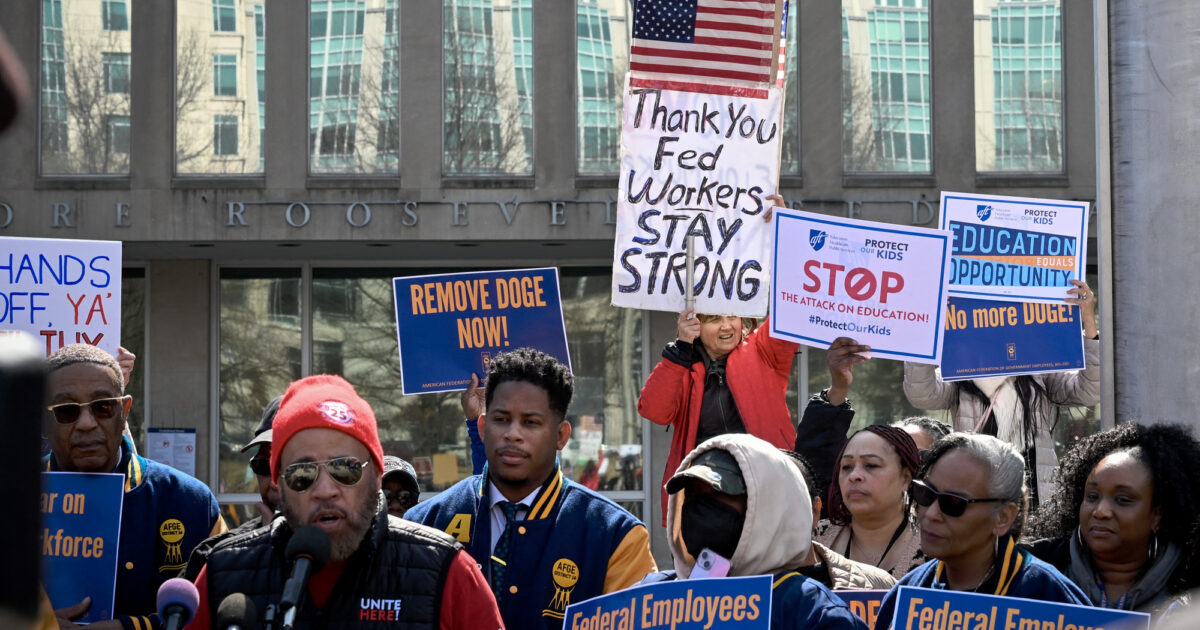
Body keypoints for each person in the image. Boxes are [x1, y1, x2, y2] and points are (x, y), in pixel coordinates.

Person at [187, 374, 503, 629]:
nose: (325, 490)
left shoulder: (447, 570)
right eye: (302, 473)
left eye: (345, 469)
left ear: (376, 474)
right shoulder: (222, 572)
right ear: (279, 482)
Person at [406, 348, 657, 630]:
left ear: (561, 435)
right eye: (500, 419)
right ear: (482, 427)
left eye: (530, 422)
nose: (513, 433)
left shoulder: (616, 536)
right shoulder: (423, 524)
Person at [43, 344, 226, 630]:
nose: (87, 423)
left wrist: (131, 628)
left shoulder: (190, 502)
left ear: (124, 409)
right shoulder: (12, 496)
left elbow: (218, 609)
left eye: (103, 406)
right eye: (67, 411)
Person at [903, 280, 1101, 504]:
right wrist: (930, 326)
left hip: (1034, 496)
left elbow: (1089, 392)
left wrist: (1088, 323)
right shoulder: (962, 369)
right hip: (977, 494)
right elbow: (921, 392)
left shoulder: (1038, 366)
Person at [644, 434, 869, 629]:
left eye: (717, 494)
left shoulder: (809, 610)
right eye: (692, 496)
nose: (700, 508)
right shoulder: (649, 596)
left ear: (766, 506)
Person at [874, 434, 1088, 630]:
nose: (931, 514)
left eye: (954, 502)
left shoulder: (1050, 598)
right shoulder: (908, 594)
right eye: (926, 493)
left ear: (1003, 517)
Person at [638, 308, 799, 522]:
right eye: (714, 320)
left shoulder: (763, 350)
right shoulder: (683, 367)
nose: (726, 326)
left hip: (767, 493)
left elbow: (790, 310)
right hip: (704, 499)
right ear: (697, 326)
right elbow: (654, 411)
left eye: (733, 316)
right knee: (711, 556)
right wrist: (680, 349)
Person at [1023, 423, 1200, 616]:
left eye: (1123, 500)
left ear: (1157, 516)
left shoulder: (1190, 592)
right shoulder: (1029, 573)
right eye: (1092, 496)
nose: (1101, 511)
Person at [794, 337, 949, 506]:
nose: (904, 465)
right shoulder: (846, 516)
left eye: (917, 457)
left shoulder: (943, 527)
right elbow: (819, 455)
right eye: (874, 462)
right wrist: (838, 388)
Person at [181, 395, 283, 581]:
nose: (274, 482)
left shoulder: (352, 561)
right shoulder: (213, 560)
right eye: (264, 465)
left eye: (287, 464)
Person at [813, 425, 925, 580]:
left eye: (871, 465)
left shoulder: (933, 550)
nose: (854, 476)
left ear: (905, 478)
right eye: (846, 467)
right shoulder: (813, 540)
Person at [783, 451, 896, 591]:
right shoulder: (748, 591)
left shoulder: (879, 586)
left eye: (787, 499)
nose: (776, 514)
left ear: (816, 510)